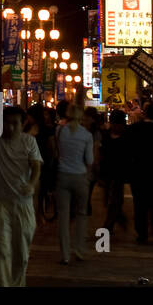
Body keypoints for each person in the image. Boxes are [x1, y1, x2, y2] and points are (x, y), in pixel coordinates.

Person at [0, 105, 42, 286]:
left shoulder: (29, 142)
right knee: (1, 250)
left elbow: (36, 166)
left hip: (22, 203)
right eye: (6, 123)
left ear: (23, 123)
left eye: (15, 123)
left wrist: (31, 184)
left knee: (21, 253)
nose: (10, 127)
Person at [55, 104, 94, 264]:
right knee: (81, 214)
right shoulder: (86, 135)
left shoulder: (60, 131)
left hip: (63, 175)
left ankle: (65, 254)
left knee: (63, 217)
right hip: (80, 176)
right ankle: (79, 249)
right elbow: (90, 160)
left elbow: (57, 153)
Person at [126, 101, 153, 244]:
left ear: (145, 113)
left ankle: (141, 233)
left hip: (138, 173)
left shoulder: (134, 129)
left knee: (139, 204)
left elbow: (128, 151)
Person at [99, 110, 130, 234]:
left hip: (120, 171)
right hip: (107, 171)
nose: (116, 126)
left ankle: (108, 225)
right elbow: (101, 154)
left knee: (116, 198)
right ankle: (119, 217)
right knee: (108, 199)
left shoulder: (127, 136)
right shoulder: (105, 135)